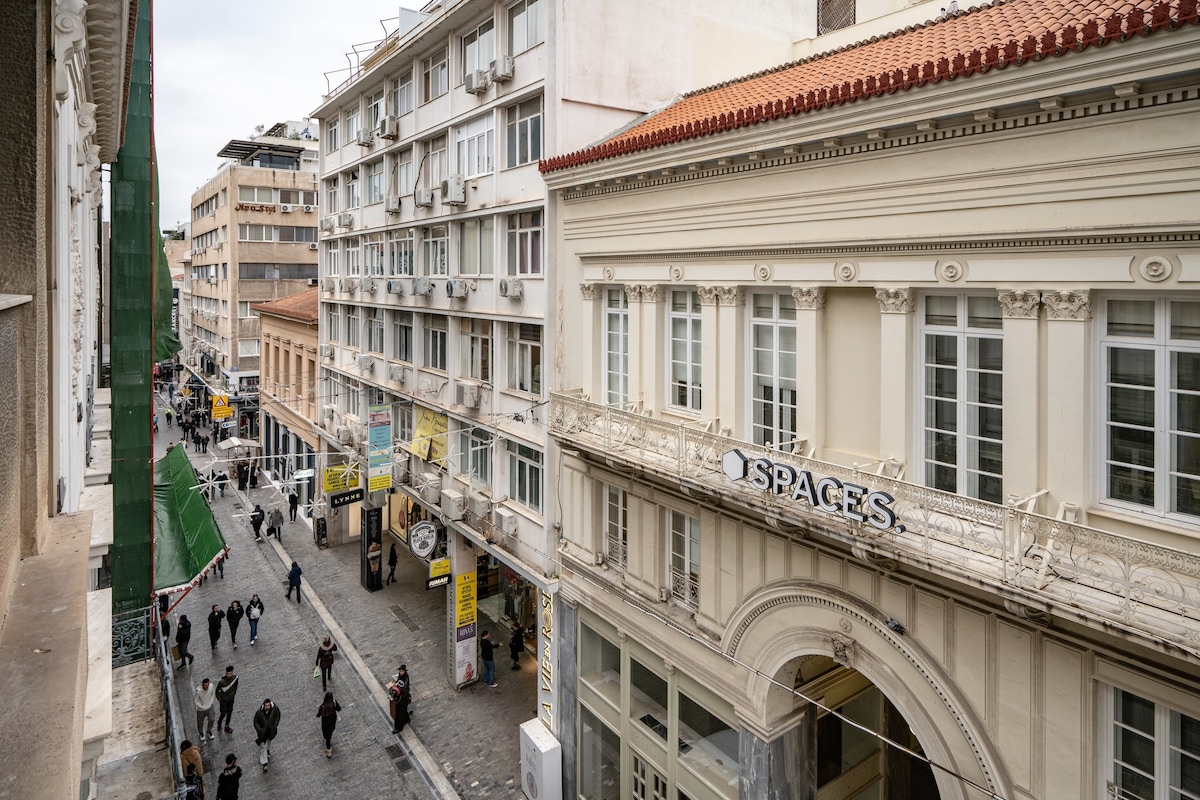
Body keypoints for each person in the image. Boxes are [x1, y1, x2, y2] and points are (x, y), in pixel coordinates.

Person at [252, 698, 281, 773]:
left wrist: (274, 725)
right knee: (263, 747)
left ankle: (267, 750)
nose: (267, 707)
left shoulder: (274, 709)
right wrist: (260, 730)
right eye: (266, 705)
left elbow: (277, 716)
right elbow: (256, 722)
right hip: (263, 734)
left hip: (270, 732)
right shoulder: (259, 713)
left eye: (268, 705)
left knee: (269, 742)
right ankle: (264, 763)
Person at [316, 691, 342, 758]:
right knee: (330, 732)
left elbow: (319, 714)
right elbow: (339, 708)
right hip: (332, 720)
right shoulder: (334, 703)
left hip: (325, 721)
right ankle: (329, 738)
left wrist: (319, 715)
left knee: (326, 735)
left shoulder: (323, 706)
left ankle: (328, 750)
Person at [389, 667, 411, 734]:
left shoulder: (406, 678)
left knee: (399, 713)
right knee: (402, 710)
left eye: (402, 671)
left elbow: (405, 688)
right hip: (399, 697)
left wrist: (398, 687)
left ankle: (398, 727)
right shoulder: (399, 676)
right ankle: (406, 719)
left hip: (403, 698)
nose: (401, 672)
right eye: (400, 671)